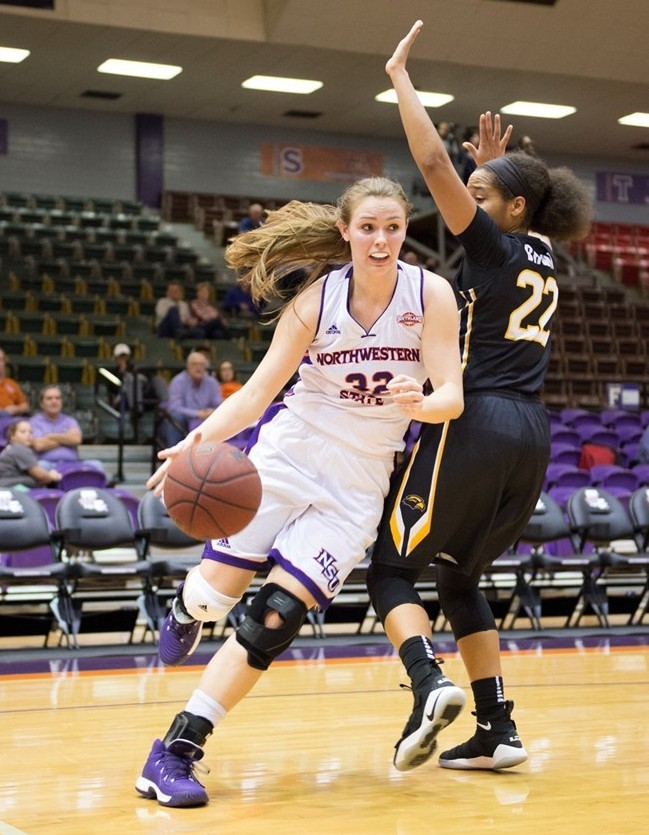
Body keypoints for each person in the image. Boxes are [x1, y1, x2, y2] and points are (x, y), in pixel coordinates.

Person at [135, 176, 464, 808]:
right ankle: (188, 605)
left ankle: (173, 751)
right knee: (215, 597)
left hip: (361, 479)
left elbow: (451, 394)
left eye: (393, 228)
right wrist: (195, 443)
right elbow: (257, 394)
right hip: (289, 455)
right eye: (367, 227)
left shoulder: (432, 294)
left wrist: (422, 403)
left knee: (275, 617)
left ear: (405, 232)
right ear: (345, 231)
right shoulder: (315, 301)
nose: (381, 240)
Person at [366, 20, 593, 775]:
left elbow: (430, 162)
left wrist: (401, 79)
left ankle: (427, 680)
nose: (466, 200)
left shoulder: (493, 246)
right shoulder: (544, 251)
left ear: (514, 208)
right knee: (458, 577)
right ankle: (497, 726)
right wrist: (494, 170)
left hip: (476, 417)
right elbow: (504, 195)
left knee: (390, 570)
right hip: (532, 432)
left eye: (480, 195)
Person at [29, 385, 106, 475]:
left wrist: (51, 436)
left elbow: (76, 440)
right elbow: (39, 445)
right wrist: (66, 439)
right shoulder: (34, 422)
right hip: (48, 464)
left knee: (97, 465)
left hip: (72, 463)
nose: (54, 401)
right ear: (42, 404)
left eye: (57, 398)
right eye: (49, 398)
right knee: (39, 466)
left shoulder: (70, 421)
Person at [162, 351, 223, 448]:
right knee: (176, 417)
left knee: (221, 416)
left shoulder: (212, 382)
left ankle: (218, 454)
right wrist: (197, 414)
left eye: (201, 364)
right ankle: (174, 454)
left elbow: (218, 405)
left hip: (206, 420)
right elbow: (175, 407)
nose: (198, 367)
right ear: (188, 366)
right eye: (194, 364)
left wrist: (212, 411)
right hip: (184, 419)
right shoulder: (178, 381)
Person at [0, 419, 63, 490]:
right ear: (12, 436)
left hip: (9, 484)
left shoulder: (13, 448)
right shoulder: (19, 449)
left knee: (44, 465)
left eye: (30, 432)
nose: (28, 435)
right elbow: (41, 476)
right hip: (10, 488)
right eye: (23, 432)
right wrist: (52, 477)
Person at [0, 348, 29, 418]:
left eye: (1, 360)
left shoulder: (11, 384)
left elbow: (25, 406)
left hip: (10, 420)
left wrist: (16, 409)